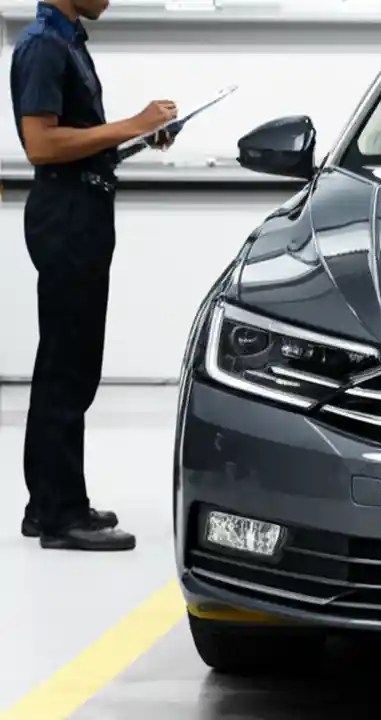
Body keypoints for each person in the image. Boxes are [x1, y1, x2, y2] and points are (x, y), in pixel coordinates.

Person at [10, 0, 179, 551]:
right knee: (67, 365)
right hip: (66, 216)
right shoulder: (43, 46)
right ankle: (61, 517)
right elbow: (41, 143)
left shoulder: (69, 40)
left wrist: (133, 139)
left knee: (69, 361)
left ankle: (53, 503)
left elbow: (78, 141)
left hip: (81, 209)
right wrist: (131, 122)